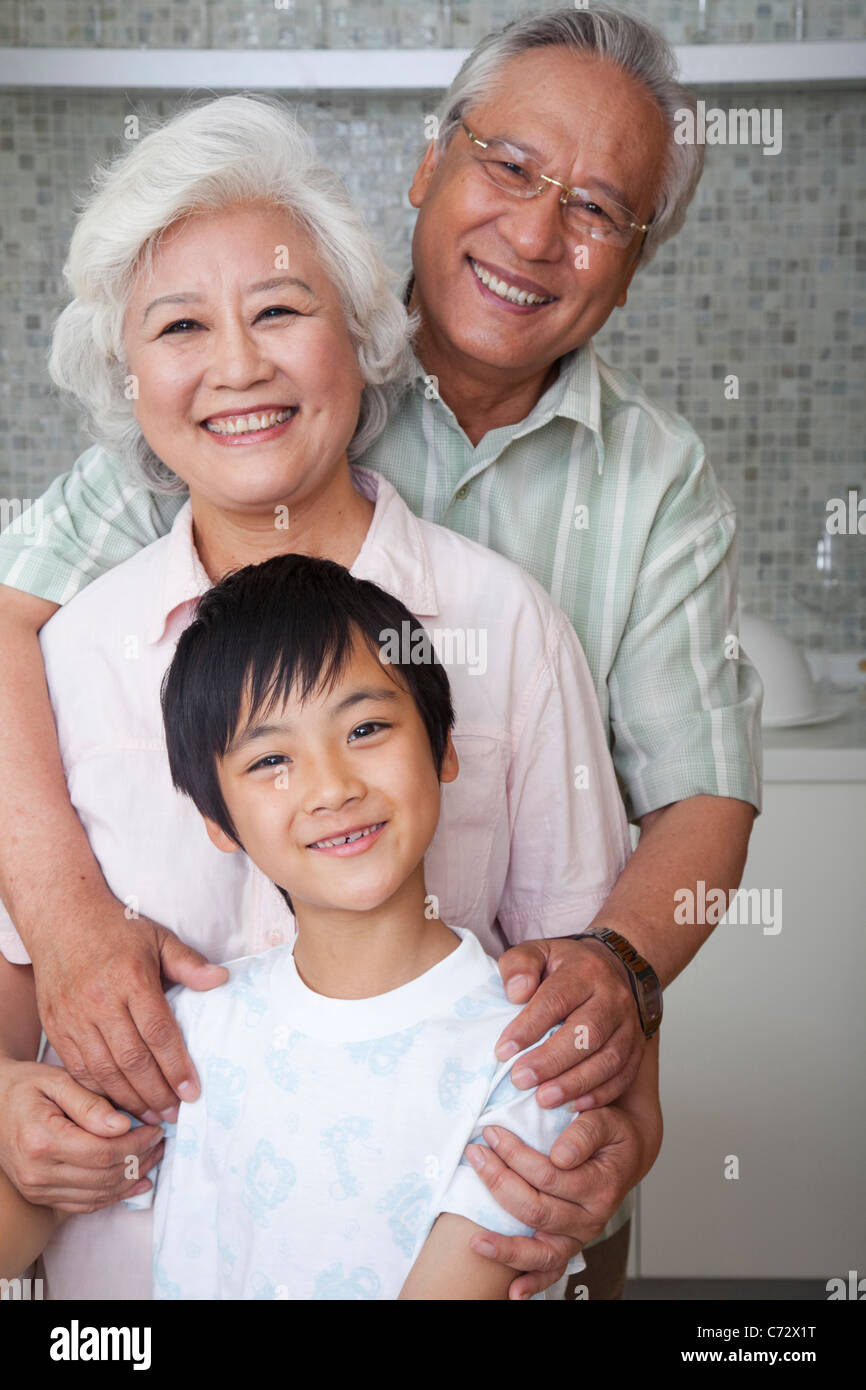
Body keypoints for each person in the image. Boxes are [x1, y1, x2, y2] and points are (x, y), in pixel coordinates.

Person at [0, 6, 761, 1299]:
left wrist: (615, 1104)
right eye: (509, 167)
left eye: (594, 206)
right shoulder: (79, 637)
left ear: (360, 344)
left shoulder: (532, 603)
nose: (532, 231)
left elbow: (684, 839)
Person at [2, 553, 593, 1300]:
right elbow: (29, 1207)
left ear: (444, 749)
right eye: (273, 758)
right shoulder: (185, 1037)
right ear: (219, 820)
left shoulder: (529, 1053)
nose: (331, 788)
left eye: (367, 727)